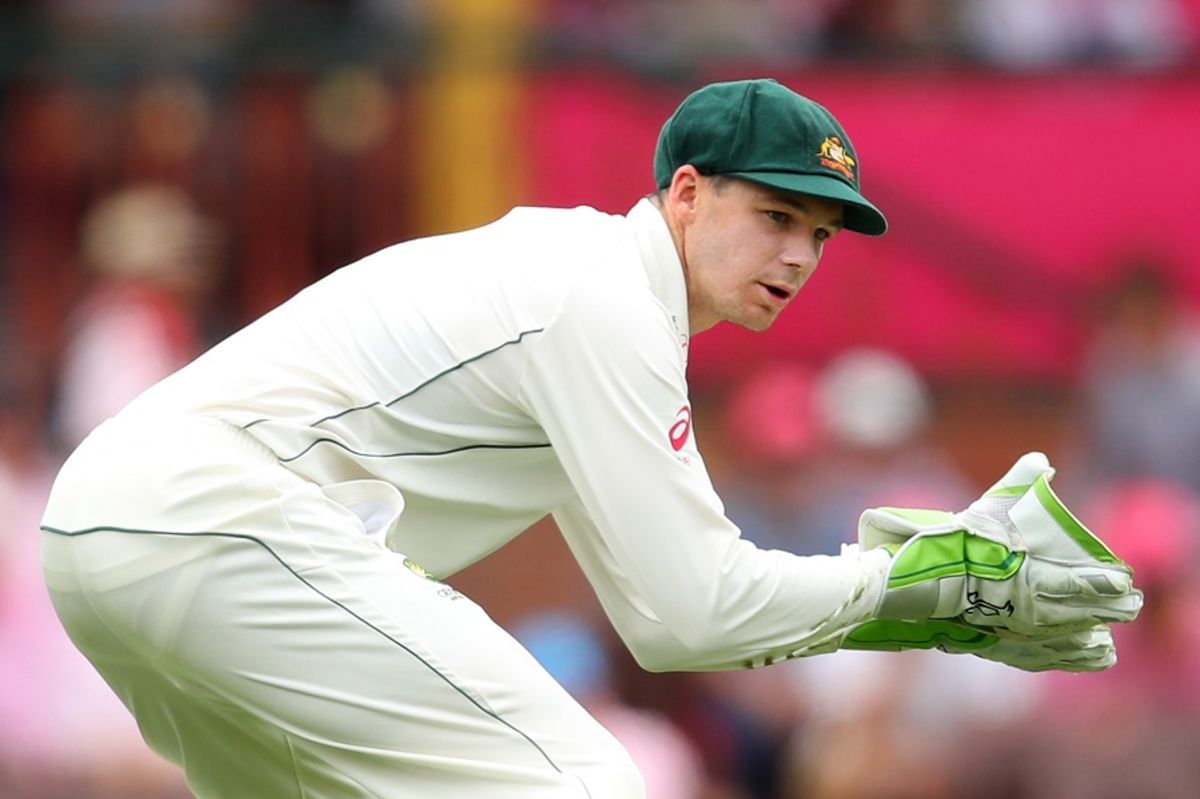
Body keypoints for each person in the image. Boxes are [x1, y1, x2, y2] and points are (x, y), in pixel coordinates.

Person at [40, 78, 1140, 798]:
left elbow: (666, 613)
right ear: (687, 194)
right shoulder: (606, 300)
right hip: (220, 523)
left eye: (817, 235)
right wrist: (925, 591)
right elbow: (696, 610)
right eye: (775, 217)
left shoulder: (584, 290)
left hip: (107, 537)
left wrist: (909, 599)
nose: (800, 257)